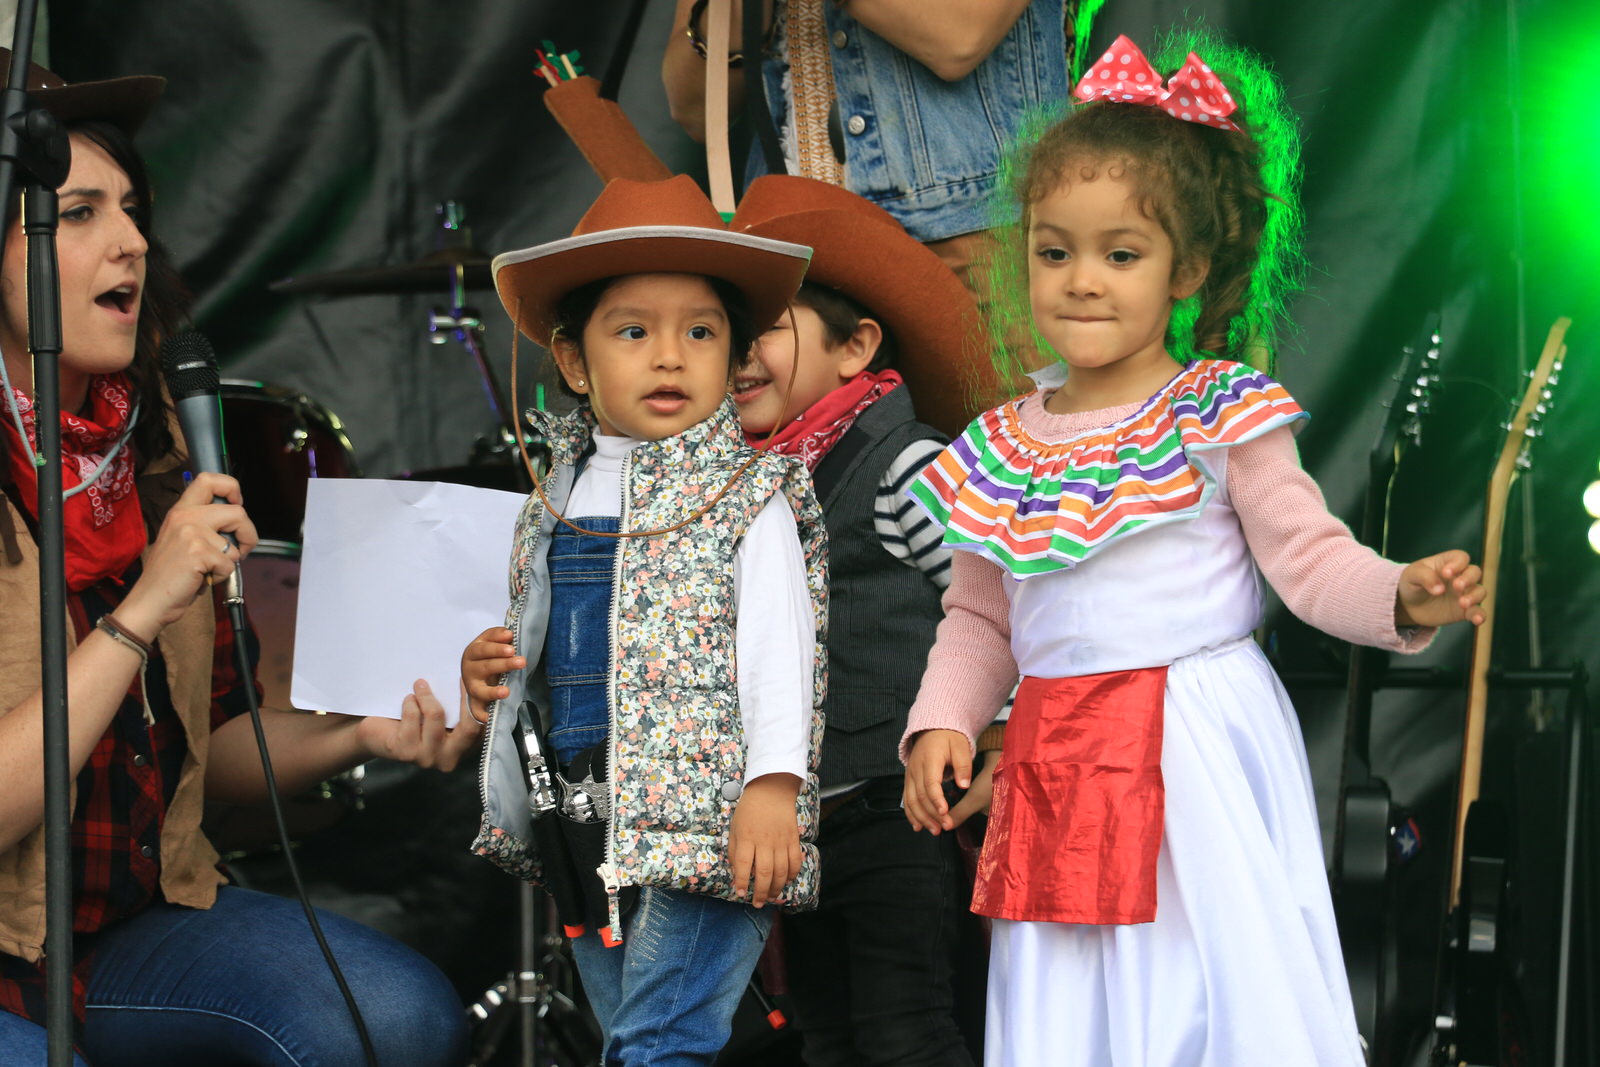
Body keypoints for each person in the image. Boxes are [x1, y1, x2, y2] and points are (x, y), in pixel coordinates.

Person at [898, 33, 1488, 1066]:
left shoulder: (1217, 413)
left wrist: (1401, 592)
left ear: (1191, 269)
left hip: (1191, 748)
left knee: (1202, 986)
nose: (1082, 280)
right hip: (1054, 753)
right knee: (1070, 996)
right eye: (1054, 251)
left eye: (1121, 254)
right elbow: (980, 613)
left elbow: (1309, 560)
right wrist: (941, 717)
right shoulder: (1001, 443)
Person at [0, 54, 474, 1065]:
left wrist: (361, 734)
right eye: (79, 213)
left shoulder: (155, 447)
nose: (132, 241)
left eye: (133, 210)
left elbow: (209, 750)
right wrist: (143, 607)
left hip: (117, 927)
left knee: (393, 1017)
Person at [463, 173, 828, 1065]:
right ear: (575, 362)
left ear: (735, 359)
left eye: (700, 332)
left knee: (657, 1043)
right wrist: (489, 673)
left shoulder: (747, 493)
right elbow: (543, 649)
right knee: (632, 1039)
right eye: (633, 332)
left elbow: (784, 648)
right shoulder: (551, 501)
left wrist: (775, 784)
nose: (670, 357)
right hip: (584, 815)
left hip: (707, 819)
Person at [724, 173, 1000, 1065]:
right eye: (724, 334)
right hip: (802, 825)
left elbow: (994, 602)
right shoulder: (750, 484)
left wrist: (998, 729)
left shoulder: (904, 463)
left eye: (766, 329)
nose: (738, 357)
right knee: (830, 1037)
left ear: (856, 347)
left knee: (905, 1030)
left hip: (895, 812)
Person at [661, 0, 1073, 356]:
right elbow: (694, 109)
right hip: (793, 259)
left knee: (1008, 419)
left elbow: (959, 36)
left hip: (970, 241)